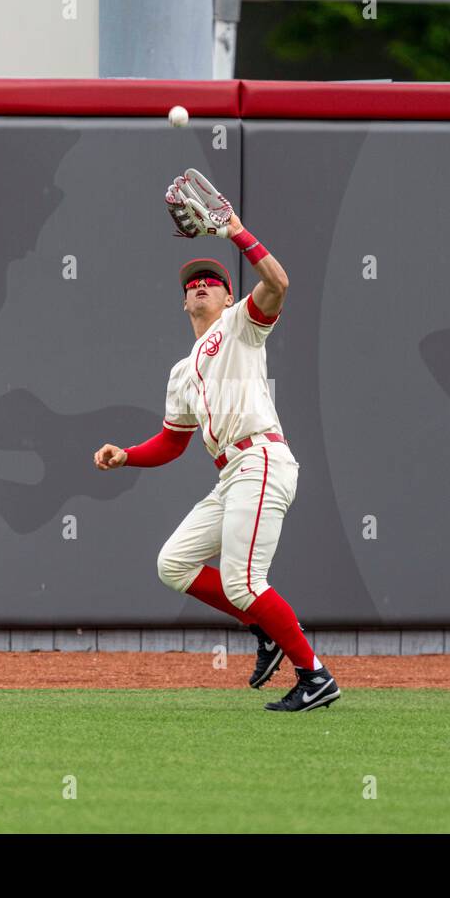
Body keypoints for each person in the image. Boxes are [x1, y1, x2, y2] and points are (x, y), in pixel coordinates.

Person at [92, 169, 340, 712]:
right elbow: (172, 443)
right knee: (173, 564)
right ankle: (268, 630)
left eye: (209, 280)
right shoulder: (181, 370)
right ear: (184, 304)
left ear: (229, 294)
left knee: (244, 581)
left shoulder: (240, 326)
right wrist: (127, 456)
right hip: (230, 474)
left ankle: (314, 674)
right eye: (191, 285)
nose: (199, 286)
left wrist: (236, 231)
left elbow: (279, 284)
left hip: (262, 459)